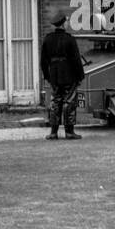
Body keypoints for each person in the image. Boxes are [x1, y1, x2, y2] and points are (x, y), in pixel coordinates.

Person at [40, 11, 85, 140]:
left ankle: (53, 132)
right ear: (63, 23)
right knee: (69, 102)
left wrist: (47, 76)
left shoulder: (48, 39)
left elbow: (43, 61)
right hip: (69, 74)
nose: (68, 23)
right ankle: (69, 131)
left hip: (54, 75)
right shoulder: (69, 39)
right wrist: (80, 76)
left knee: (55, 102)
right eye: (67, 21)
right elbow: (76, 60)